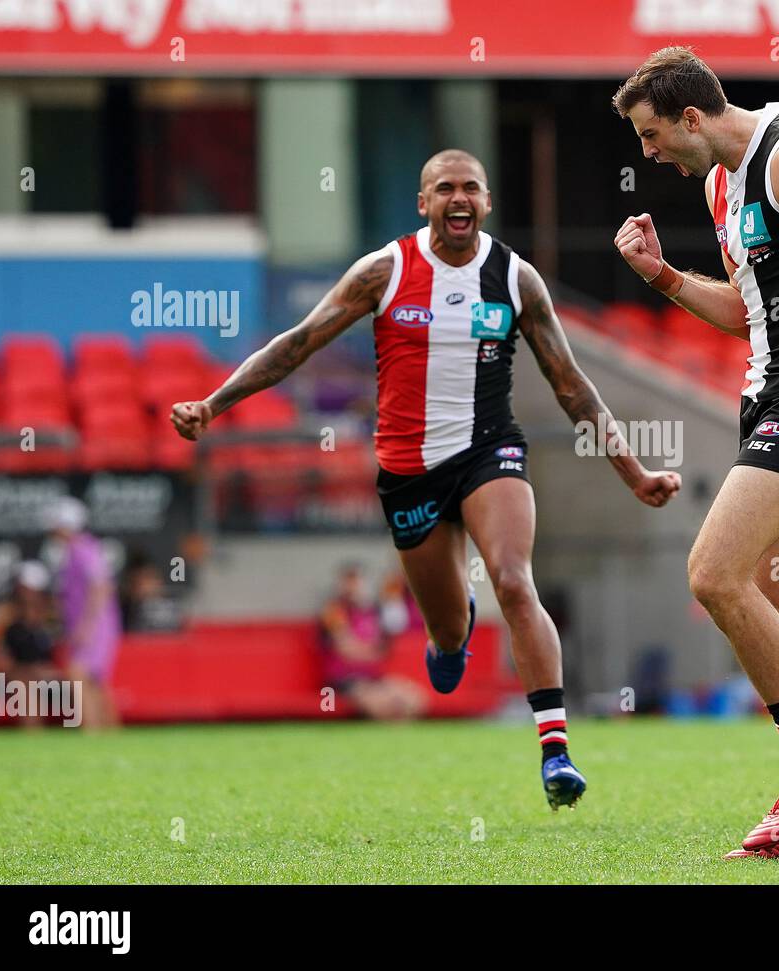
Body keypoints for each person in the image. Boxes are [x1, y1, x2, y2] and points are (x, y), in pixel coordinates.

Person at [171, 149, 681, 810]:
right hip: (408, 471)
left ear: (487, 202)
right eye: (445, 188)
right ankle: (453, 628)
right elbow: (296, 343)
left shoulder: (516, 278)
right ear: (424, 203)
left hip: (489, 451)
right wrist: (214, 404)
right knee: (444, 636)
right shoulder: (384, 271)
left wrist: (633, 471)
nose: (459, 198)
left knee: (513, 580)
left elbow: (571, 385)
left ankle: (555, 751)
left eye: (471, 187)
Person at [613, 48, 779, 858]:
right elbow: (747, 311)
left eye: (652, 134)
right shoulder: (717, 182)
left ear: (693, 117)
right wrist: (662, 275)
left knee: (712, 572)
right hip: (766, 392)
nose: (648, 152)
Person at [47, 497, 122, 729]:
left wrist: (86, 626)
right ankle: (110, 733)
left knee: (77, 675)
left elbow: (101, 587)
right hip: (92, 624)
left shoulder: (83, 549)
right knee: (95, 681)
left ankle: (91, 732)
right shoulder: (76, 551)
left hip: (95, 626)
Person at [318, 563, 425, 720]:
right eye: (348, 581)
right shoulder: (333, 611)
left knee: (414, 699)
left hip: (374, 677)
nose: (352, 587)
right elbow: (346, 649)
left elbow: (386, 647)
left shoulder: (374, 612)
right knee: (378, 703)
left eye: (356, 581)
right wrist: (371, 651)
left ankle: (400, 739)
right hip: (344, 681)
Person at [0, 561, 61, 728]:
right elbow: (1, 665)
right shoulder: (6, 621)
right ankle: (34, 740)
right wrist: (30, 671)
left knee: (79, 684)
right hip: (14, 680)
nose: (26, 594)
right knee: (25, 684)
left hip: (48, 679)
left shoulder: (51, 622)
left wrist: (46, 672)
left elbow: (59, 661)